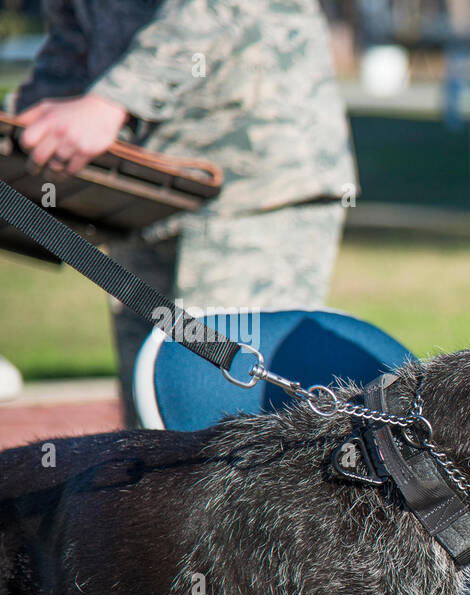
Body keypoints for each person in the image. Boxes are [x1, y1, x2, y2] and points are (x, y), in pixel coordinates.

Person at [11, 0, 357, 424]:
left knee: (224, 419)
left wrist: (113, 100)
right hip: (144, 187)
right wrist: (29, 122)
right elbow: (75, 26)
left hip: (255, 183)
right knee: (152, 422)